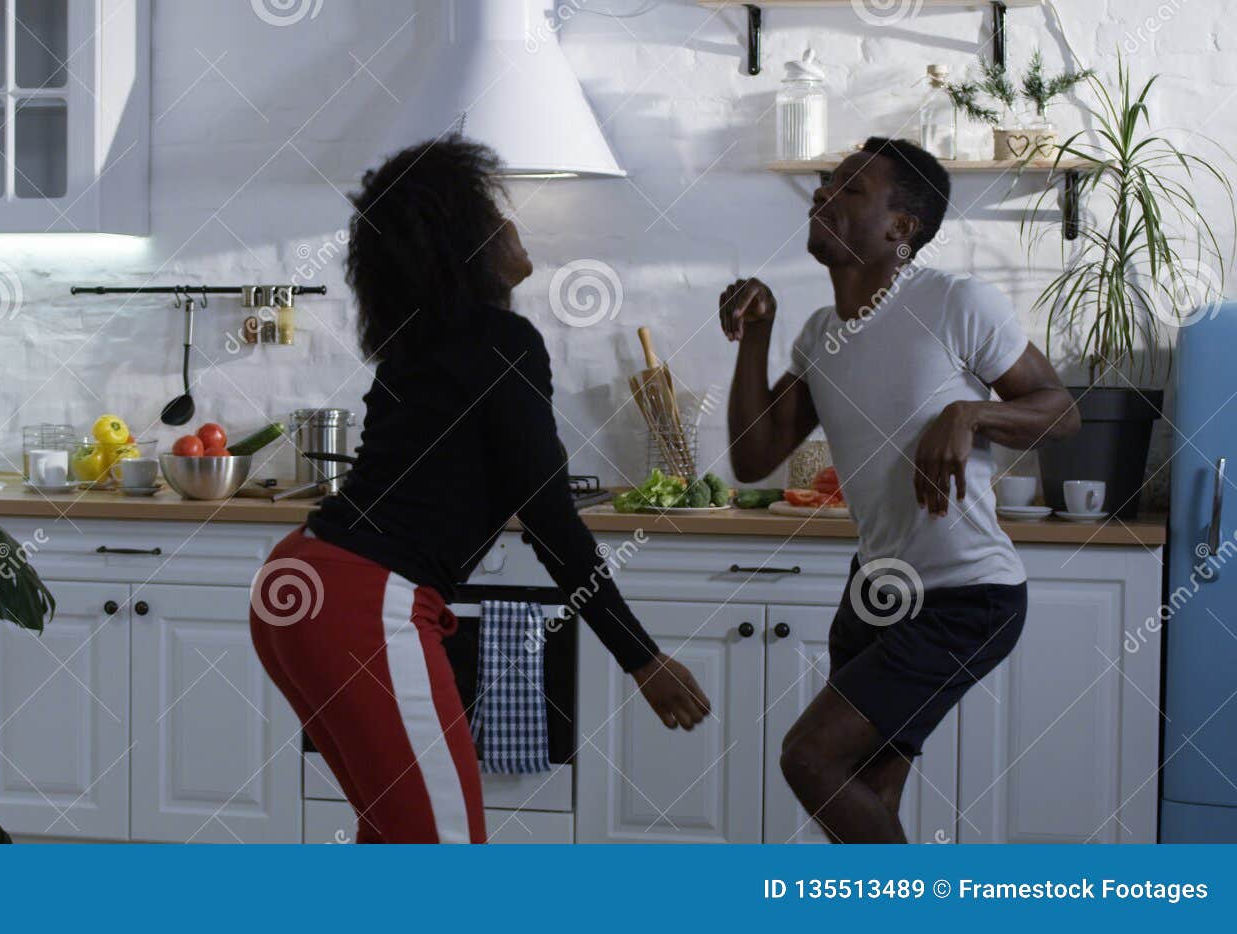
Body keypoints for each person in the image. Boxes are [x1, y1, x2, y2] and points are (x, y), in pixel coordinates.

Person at [250, 136, 711, 844]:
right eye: (493, 214)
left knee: (396, 837)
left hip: (300, 583)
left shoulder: (418, 345)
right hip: (362, 602)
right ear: (466, 243)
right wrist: (642, 658)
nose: (512, 226)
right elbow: (552, 518)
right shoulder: (503, 340)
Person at [719, 137, 1080, 843]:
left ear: (900, 227)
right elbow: (754, 457)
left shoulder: (955, 302)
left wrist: (970, 413)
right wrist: (756, 337)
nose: (823, 195)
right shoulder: (822, 335)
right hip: (876, 592)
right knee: (866, 794)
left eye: (849, 190)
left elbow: (1061, 410)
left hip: (966, 598)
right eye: (826, 185)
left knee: (810, 758)